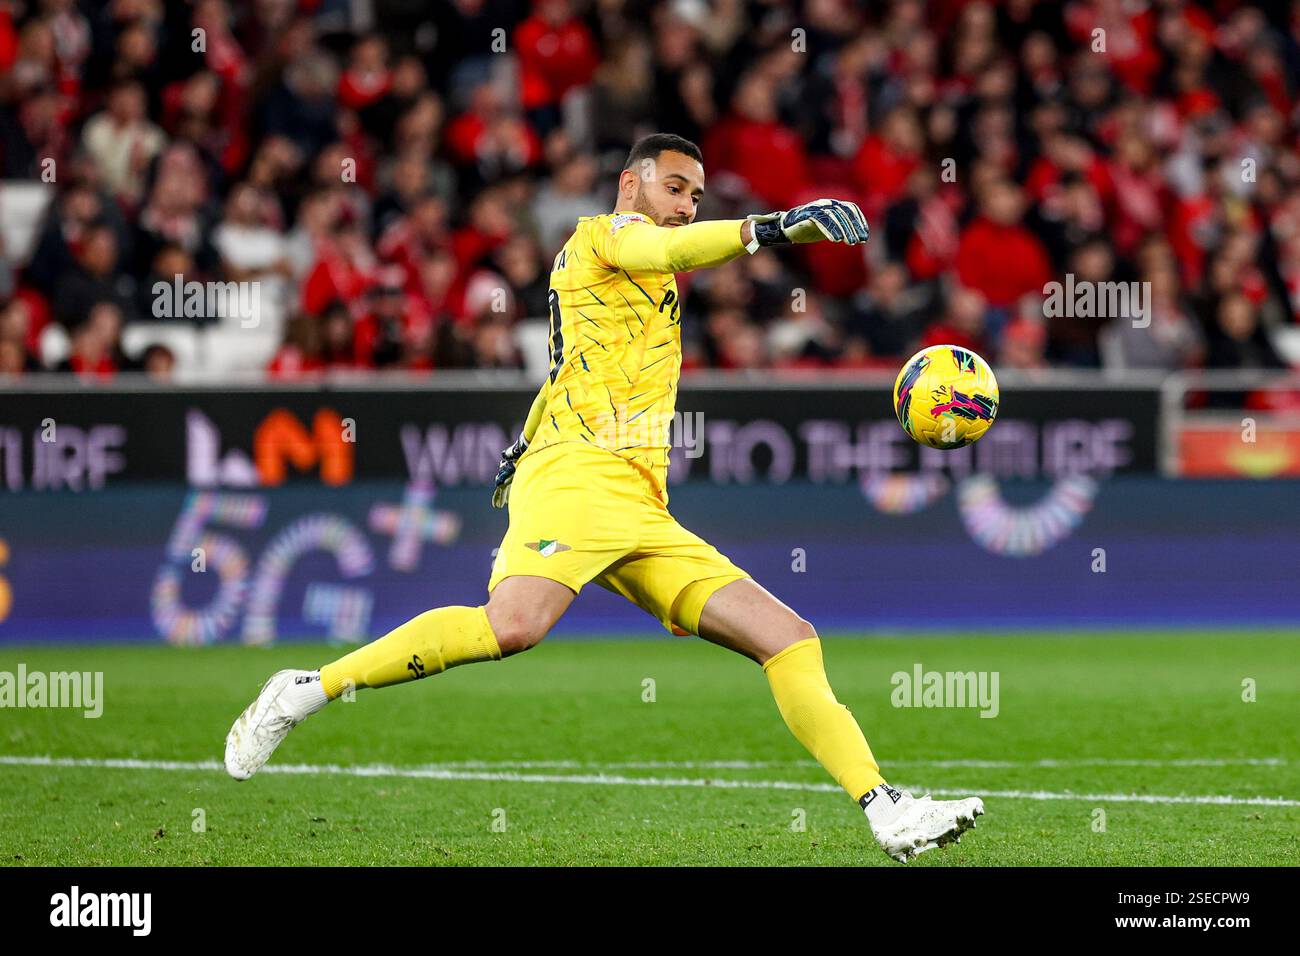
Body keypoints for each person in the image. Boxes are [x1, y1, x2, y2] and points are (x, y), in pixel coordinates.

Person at [223, 134, 983, 863]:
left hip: (637, 503)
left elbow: (568, 367)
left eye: (696, 195)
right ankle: (305, 691)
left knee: (787, 636)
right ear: (632, 184)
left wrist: (521, 440)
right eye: (675, 187)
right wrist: (771, 229)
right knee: (514, 627)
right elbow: (663, 247)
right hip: (580, 476)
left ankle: (885, 807)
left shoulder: (642, 284)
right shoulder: (605, 236)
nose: (686, 206)